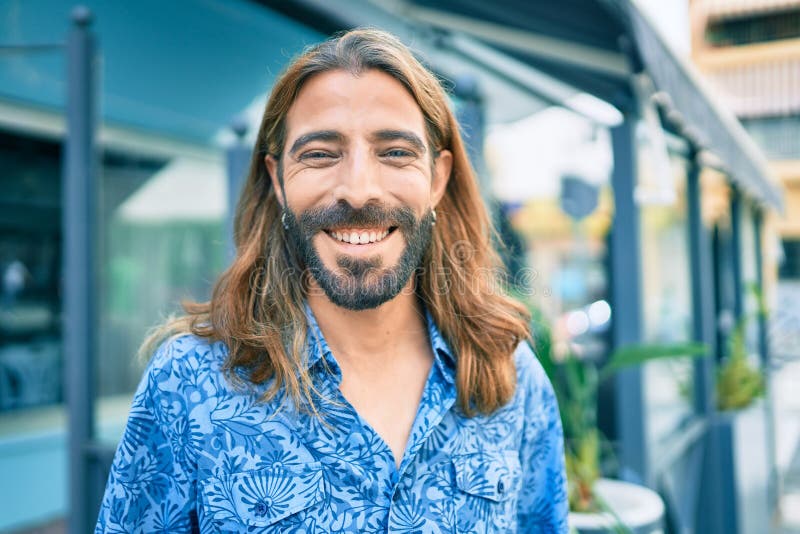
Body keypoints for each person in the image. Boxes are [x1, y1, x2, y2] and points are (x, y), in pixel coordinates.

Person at [96, 28, 568, 533]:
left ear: (437, 178)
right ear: (277, 181)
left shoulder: (511, 377)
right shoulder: (188, 382)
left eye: (394, 152)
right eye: (320, 154)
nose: (359, 190)